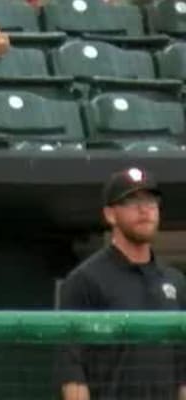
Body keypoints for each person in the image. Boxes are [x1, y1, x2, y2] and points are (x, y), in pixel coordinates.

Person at [56, 167, 186, 400]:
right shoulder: (85, 279)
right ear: (110, 214)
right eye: (131, 201)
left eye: (150, 200)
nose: (144, 209)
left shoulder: (175, 281)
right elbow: (72, 367)